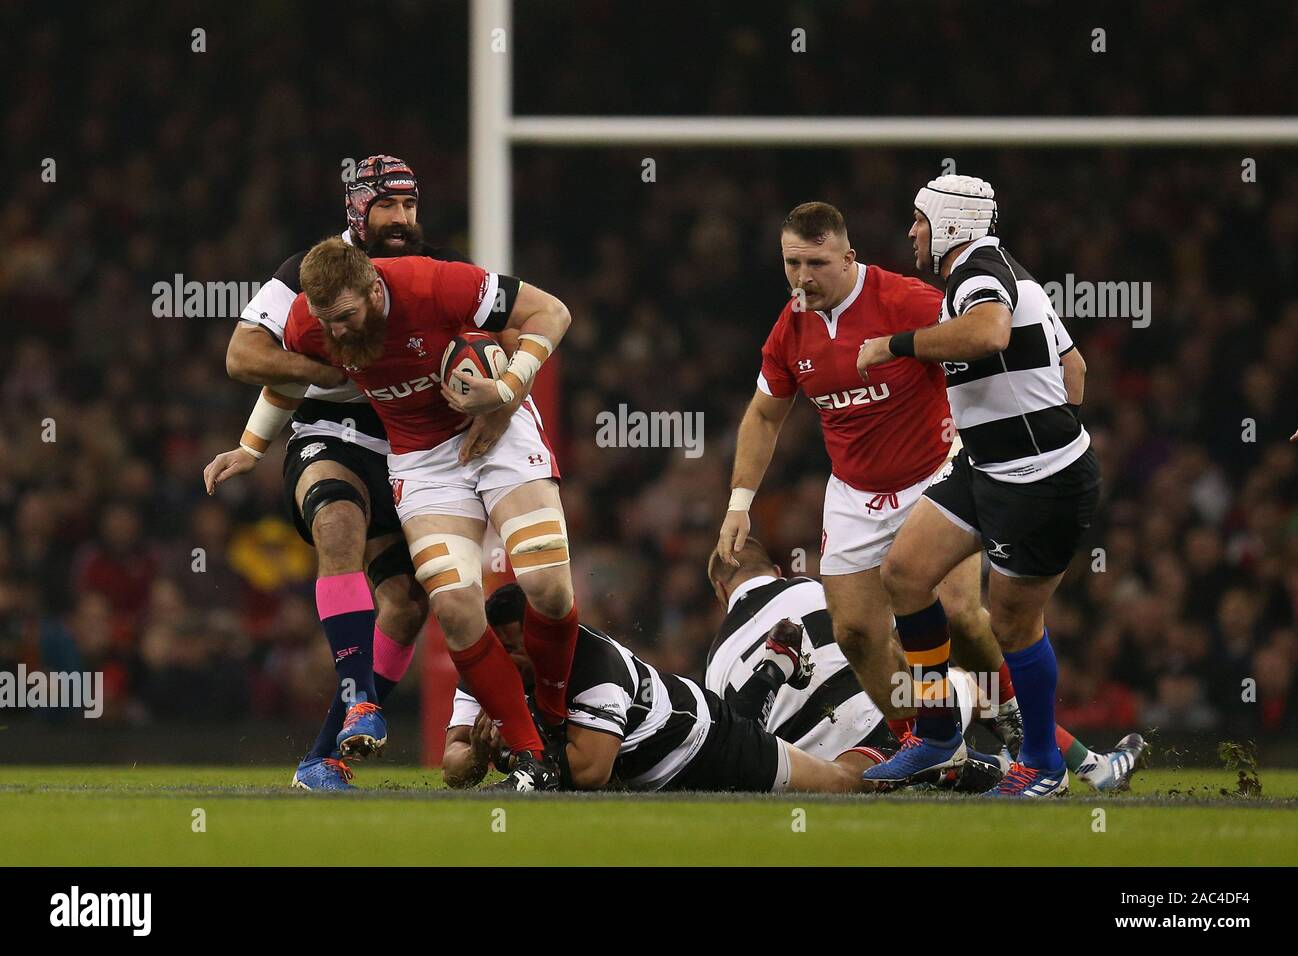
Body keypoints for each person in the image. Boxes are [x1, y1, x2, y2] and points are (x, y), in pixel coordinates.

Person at [273, 236, 581, 792]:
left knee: (547, 586)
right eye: (325, 320)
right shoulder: (310, 319)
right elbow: (278, 375)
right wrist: (250, 447)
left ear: (374, 290)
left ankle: (554, 721)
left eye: (344, 317)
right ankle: (533, 754)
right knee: (455, 606)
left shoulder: (435, 283)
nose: (335, 331)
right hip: (422, 461)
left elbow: (552, 312)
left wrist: (507, 389)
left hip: (500, 429)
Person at [715, 201, 1022, 754]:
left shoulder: (907, 300)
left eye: (816, 263)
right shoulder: (790, 328)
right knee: (855, 634)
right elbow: (763, 416)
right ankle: (924, 748)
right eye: (791, 263)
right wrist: (739, 503)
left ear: (848, 257)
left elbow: (986, 337)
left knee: (958, 616)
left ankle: (1012, 716)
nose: (802, 278)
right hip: (854, 494)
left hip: (936, 473)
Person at [204, 155, 469, 791]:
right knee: (337, 523)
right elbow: (244, 354)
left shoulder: (438, 272)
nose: (401, 219)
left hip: (410, 449)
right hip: (330, 434)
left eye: (409, 205)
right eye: (387, 206)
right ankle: (360, 699)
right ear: (357, 211)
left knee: (406, 603)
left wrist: (497, 401)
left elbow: (496, 336)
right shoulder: (307, 273)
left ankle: (324, 759)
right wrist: (324, 374)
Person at [857, 175, 1100, 796]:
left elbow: (990, 332)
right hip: (988, 467)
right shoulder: (1007, 274)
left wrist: (895, 346)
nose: (912, 232)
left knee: (1014, 625)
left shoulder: (977, 274)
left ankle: (1044, 767)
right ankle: (938, 733)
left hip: (1035, 483)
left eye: (920, 220)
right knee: (905, 574)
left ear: (950, 224)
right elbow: (1073, 367)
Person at [706, 537, 1147, 791]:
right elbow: (891, 646)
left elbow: (739, 740)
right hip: (889, 718)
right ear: (777, 569)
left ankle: (974, 767)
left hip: (825, 765)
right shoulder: (815, 589)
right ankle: (1091, 766)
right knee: (976, 685)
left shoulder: (715, 662)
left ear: (722, 593)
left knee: (894, 752)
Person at [441, 585, 976, 793]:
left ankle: (931, 759)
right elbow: (454, 765)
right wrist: (482, 753)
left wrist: (519, 751)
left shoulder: (591, 663)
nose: (510, 660)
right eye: (501, 650)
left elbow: (590, 771)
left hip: (703, 745)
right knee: (747, 718)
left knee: (839, 786)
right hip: (679, 730)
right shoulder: (486, 672)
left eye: (519, 647)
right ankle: (773, 668)